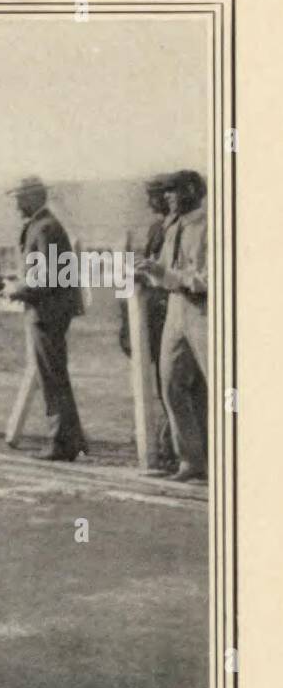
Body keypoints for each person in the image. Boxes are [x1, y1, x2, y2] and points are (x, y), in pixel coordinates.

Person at [3, 176, 88, 460]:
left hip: (48, 312)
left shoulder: (46, 227)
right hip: (45, 309)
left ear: (35, 197)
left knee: (52, 377)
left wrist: (18, 289)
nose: (16, 205)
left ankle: (62, 443)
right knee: (52, 375)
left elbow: (51, 276)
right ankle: (71, 439)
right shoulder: (41, 225)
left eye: (20, 199)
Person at [137, 170, 209, 482]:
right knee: (170, 383)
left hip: (205, 310)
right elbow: (166, 273)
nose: (167, 197)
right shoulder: (173, 227)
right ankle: (190, 461)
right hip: (177, 309)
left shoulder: (211, 226)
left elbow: (208, 279)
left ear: (191, 190)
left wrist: (168, 276)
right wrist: (151, 272)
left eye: (173, 190)